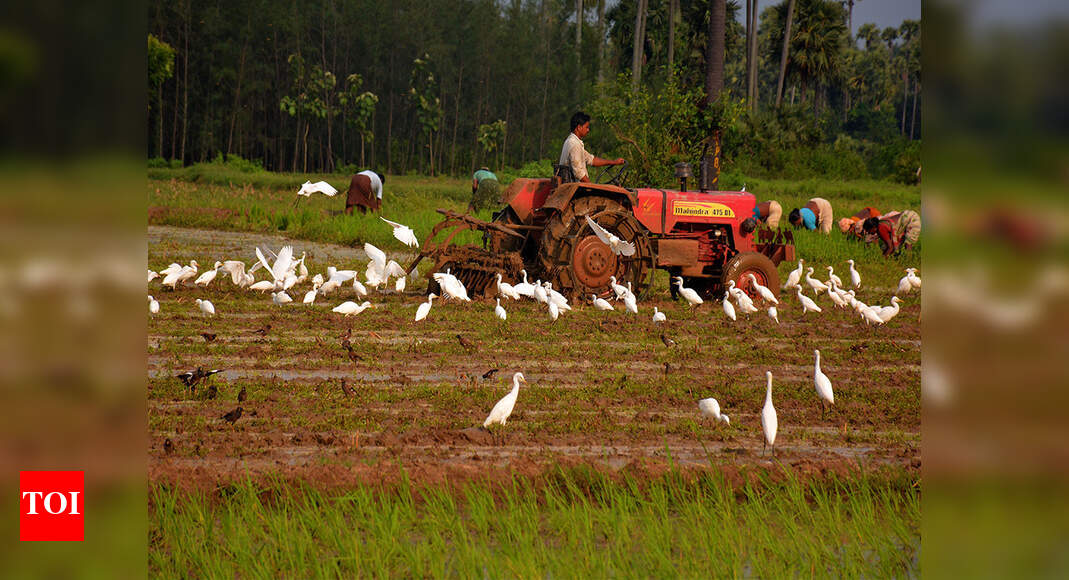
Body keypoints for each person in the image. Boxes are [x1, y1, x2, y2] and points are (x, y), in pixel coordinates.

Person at [557, 111, 624, 183]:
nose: (588, 130)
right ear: (579, 127)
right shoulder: (574, 144)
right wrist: (591, 186)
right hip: (575, 187)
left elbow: (591, 160)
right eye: (586, 127)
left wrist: (614, 162)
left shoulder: (572, 141)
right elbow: (578, 172)